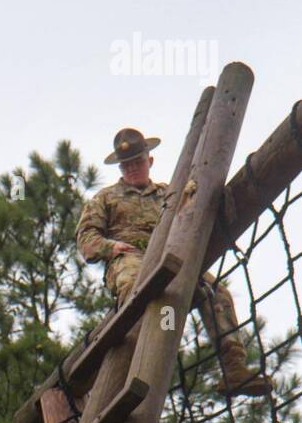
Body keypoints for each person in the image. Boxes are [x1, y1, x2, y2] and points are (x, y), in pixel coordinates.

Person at [76, 127, 270, 395]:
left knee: (216, 292)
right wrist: (112, 247)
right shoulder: (105, 198)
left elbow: (197, 213)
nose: (132, 168)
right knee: (136, 291)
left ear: (149, 161)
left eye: (137, 162)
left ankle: (234, 368)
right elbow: (86, 236)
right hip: (129, 256)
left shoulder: (169, 194)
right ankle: (135, 368)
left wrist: (211, 196)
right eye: (126, 165)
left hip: (171, 253)